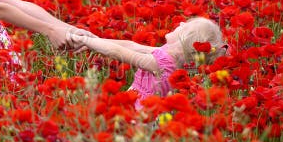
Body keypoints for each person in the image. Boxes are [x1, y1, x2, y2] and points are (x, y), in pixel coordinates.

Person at [68, 17, 227, 105]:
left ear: (184, 39)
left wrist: (85, 41)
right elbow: (132, 45)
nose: (181, 22)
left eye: (185, 26)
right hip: (134, 102)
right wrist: (95, 40)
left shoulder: (162, 65)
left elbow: (118, 52)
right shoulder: (165, 54)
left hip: (142, 114)